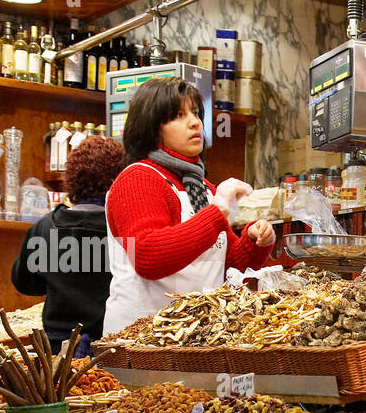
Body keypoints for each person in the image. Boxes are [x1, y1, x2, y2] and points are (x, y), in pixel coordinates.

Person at [101, 76, 274, 335]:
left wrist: (254, 240)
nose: (194, 122)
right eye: (178, 116)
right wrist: (218, 213)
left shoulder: (202, 187)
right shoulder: (138, 178)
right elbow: (148, 257)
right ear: (151, 128)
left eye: (194, 112)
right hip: (142, 339)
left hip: (193, 336)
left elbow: (227, 268)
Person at [11, 135, 124, 357]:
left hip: (55, 352)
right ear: (119, 180)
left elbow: (25, 283)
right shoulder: (124, 231)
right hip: (110, 351)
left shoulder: (44, 228)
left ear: (71, 179)